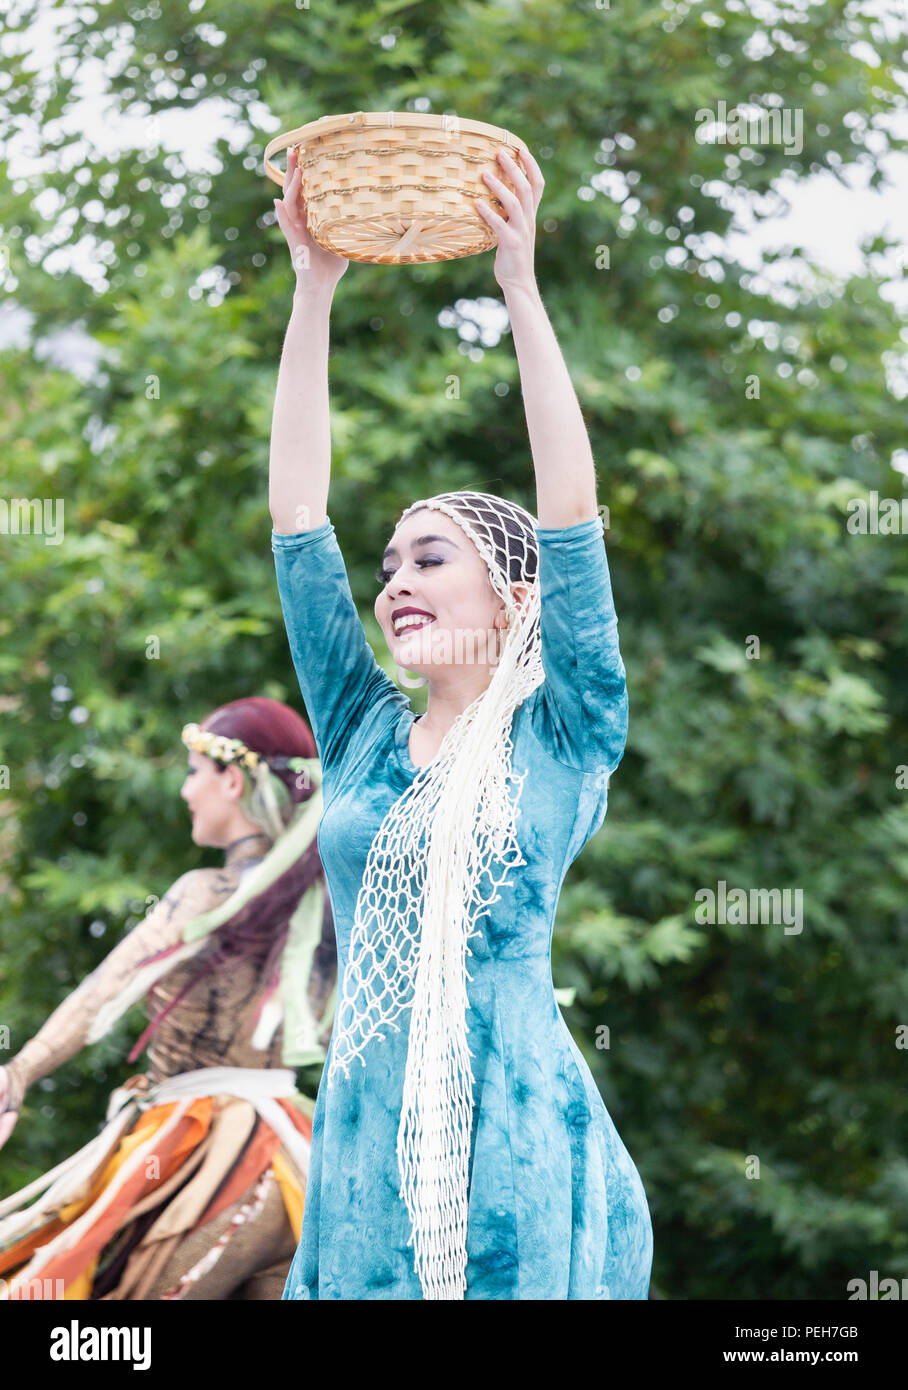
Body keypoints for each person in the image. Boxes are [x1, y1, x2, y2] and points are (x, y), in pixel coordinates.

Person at [269, 140, 653, 1300]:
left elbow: (570, 512)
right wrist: (312, 287)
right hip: (361, 1134)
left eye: (428, 557)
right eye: (388, 564)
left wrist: (522, 290)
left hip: (516, 1136)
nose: (393, 581)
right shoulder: (360, 732)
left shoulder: (566, 731)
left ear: (515, 596)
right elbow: (296, 517)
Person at [0, 696, 336, 1300]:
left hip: (205, 1152)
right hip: (299, 1163)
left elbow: (103, 992)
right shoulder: (326, 908)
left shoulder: (202, 892)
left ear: (231, 780)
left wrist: (20, 1070)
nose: (185, 792)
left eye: (192, 773)